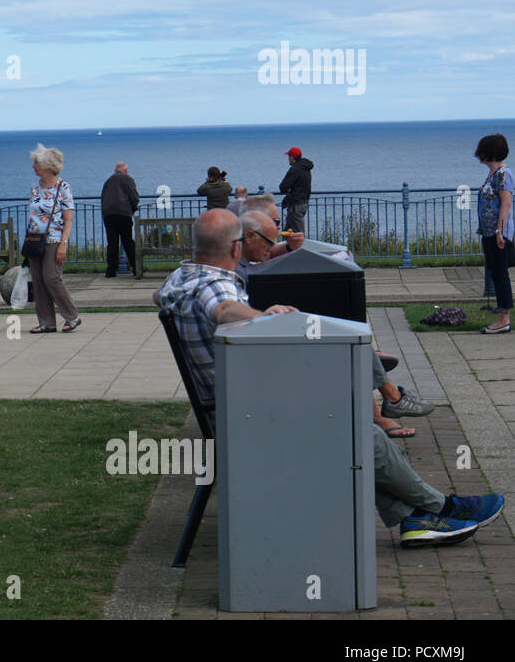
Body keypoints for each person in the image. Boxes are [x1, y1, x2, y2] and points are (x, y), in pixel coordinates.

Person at [157, 209, 503, 547]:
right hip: (248, 424)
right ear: (236, 248)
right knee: (362, 435)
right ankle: (442, 507)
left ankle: (415, 518)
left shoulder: (181, 278)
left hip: (233, 414)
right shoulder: (215, 286)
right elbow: (224, 309)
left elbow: (159, 296)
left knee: (349, 425)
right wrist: (263, 317)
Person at [238, 209, 432, 438]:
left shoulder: (238, 262)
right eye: (270, 238)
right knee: (346, 343)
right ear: (249, 235)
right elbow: (239, 319)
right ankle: (388, 399)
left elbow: (262, 258)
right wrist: (265, 316)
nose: (271, 247)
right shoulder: (233, 273)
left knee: (346, 337)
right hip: (256, 365)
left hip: (256, 352)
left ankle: (382, 395)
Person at [24, 144, 80, 333]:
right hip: (34, 239)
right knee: (38, 281)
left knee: (52, 278)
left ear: (47, 166)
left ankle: (72, 316)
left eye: (36, 164)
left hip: (54, 239)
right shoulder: (34, 188)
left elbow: (68, 218)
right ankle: (46, 322)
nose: (33, 167)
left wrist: (63, 243)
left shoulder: (63, 187)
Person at [476, 133, 513, 334]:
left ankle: (503, 318)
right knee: (496, 272)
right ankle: (502, 317)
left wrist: (500, 231)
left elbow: (506, 203)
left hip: (498, 232)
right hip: (489, 231)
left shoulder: (503, 174)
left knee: (500, 274)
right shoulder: (494, 174)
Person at [100, 162, 140, 277]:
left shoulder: (108, 180)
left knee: (112, 242)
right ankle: (136, 267)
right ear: (125, 170)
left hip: (108, 213)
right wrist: (132, 209)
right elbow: (134, 196)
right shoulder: (127, 179)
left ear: (116, 170)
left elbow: (103, 197)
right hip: (123, 213)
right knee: (127, 241)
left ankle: (111, 270)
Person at [279, 147, 314, 234]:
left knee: (298, 234)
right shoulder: (306, 168)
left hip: (296, 205)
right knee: (288, 232)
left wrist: (288, 189)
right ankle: (287, 247)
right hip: (304, 202)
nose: (288, 159)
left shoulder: (295, 169)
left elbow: (283, 186)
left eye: (289, 157)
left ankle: (301, 247)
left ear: (292, 157)